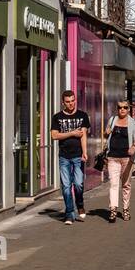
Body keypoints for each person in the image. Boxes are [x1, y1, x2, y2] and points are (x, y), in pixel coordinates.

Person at [50, 90, 90, 225]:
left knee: (78, 184)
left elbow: (83, 135)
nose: (71, 103)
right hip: (64, 156)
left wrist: (85, 152)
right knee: (66, 186)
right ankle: (69, 214)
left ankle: (80, 204)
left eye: (73, 100)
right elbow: (54, 135)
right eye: (68, 101)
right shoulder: (57, 117)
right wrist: (72, 133)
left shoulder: (82, 116)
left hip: (78, 155)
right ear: (63, 103)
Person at [102, 100, 135, 223]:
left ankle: (125, 209)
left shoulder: (133, 123)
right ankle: (113, 210)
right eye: (120, 107)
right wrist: (105, 133)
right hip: (113, 157)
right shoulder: (112, 120)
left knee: (126, 185)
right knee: (113, 184)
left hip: (126, 158)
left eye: (125, 107)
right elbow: (105, 135)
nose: (122, 109)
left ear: (128, 109)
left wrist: (133, 147)